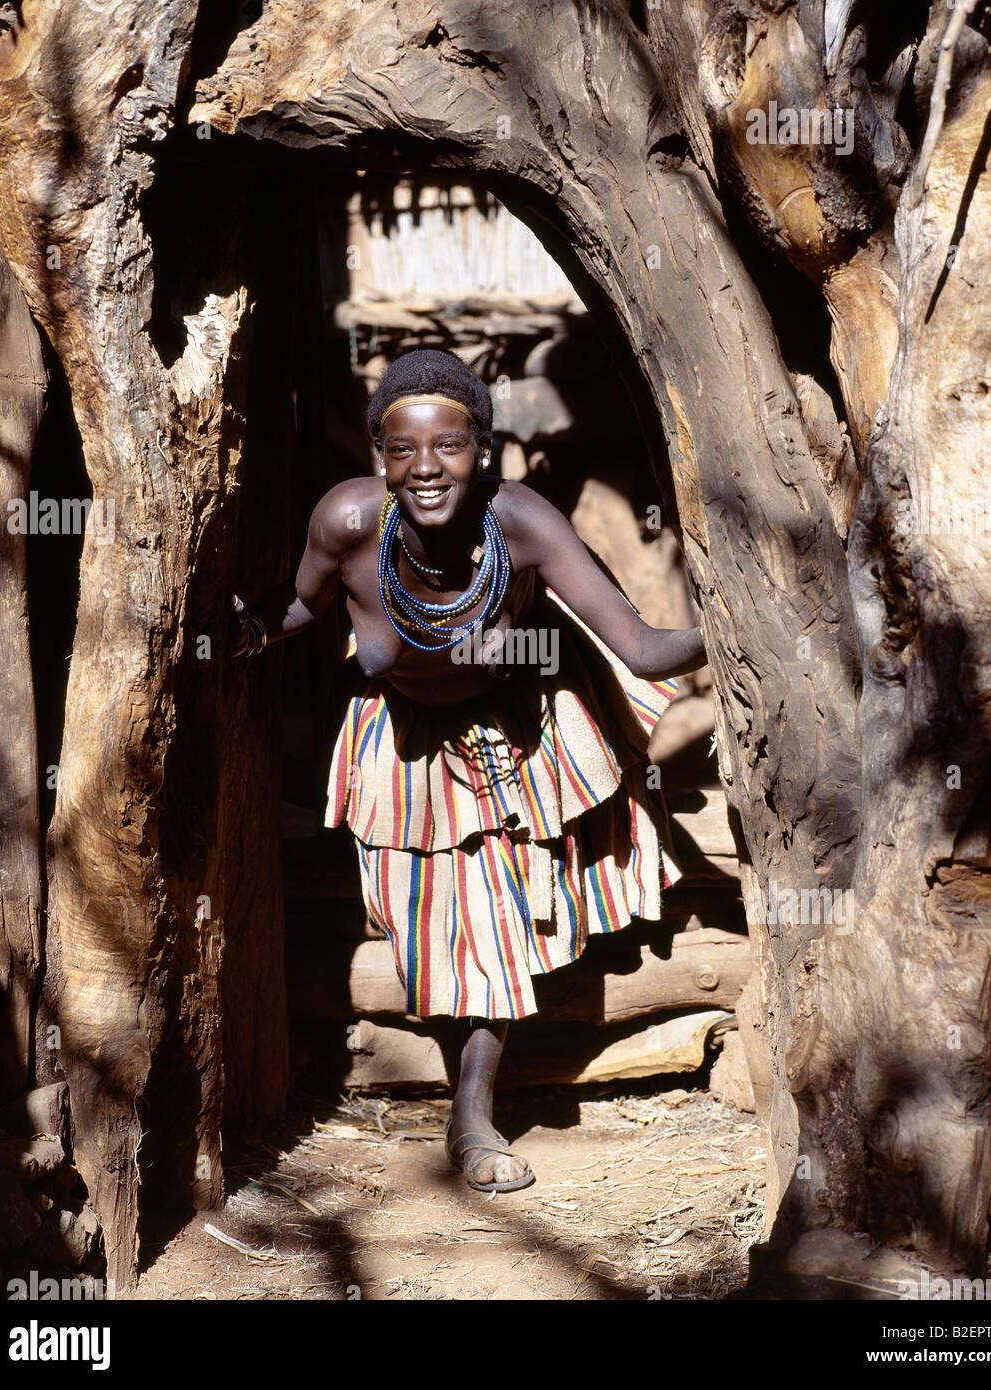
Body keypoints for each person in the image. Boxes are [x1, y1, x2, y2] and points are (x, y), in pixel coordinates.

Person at [232, 348, 707, 1193]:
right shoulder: (346, 521)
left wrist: (735, 621)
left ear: (482, 450)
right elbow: (304, 602)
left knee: (488, 924)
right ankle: (467, 1104)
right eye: (402, 449)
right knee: (433, 927)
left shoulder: (523, 521)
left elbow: (637, 644)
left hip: (506, 731)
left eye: (447, 446)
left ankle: (473, 1118)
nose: (425, 468)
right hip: (399, 744)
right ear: (381, 457)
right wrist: (246, 629)